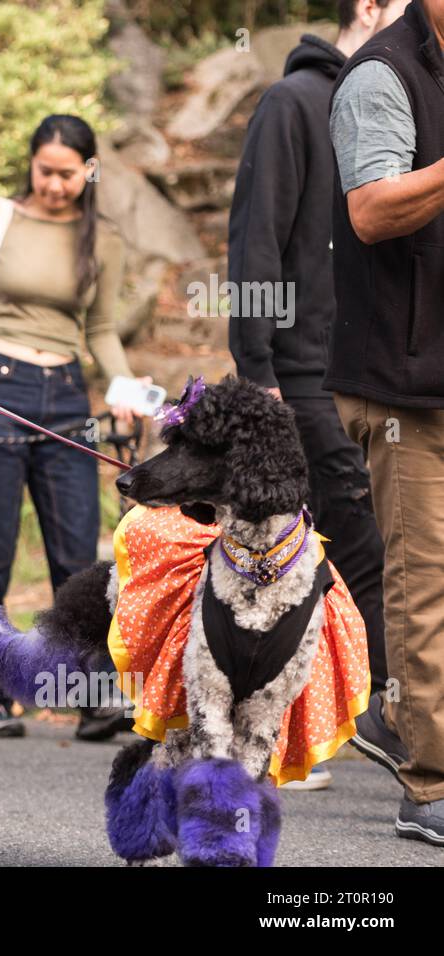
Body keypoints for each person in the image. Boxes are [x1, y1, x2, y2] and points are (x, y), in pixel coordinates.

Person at [0, 115, 147, 739]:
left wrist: (124, 385)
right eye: (44, 170)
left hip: (68, 394)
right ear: (30, 164)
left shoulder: (100, 236)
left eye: (67, 174)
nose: (53, 184)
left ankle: (92, 697)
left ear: (89, 171)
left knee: (78, 555)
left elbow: (100, 328)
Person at [227, 0, 402, 791]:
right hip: (298, 373)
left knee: (330, 557)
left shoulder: (388, 101)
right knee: (353, 546)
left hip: (371, 370)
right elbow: (256, 238)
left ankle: (315, 729)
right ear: (369, 7)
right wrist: (256, 368)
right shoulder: (293, 102)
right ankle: (389, 722)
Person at [326, 0, 444, 846]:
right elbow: (371, 209)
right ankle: (430, 785)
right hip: (403, 386)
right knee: (425, 585)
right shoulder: (380, 74)